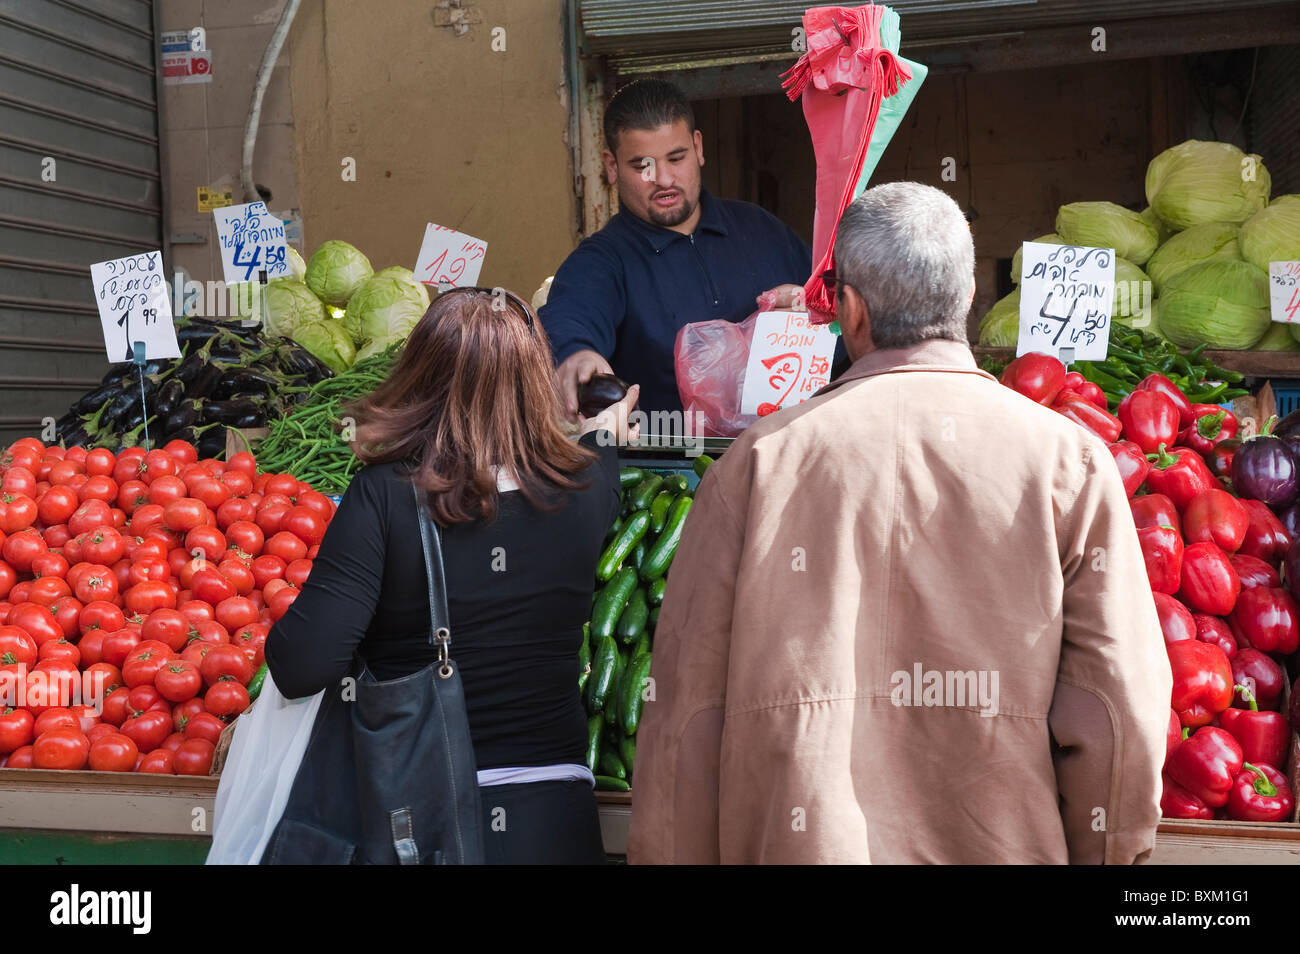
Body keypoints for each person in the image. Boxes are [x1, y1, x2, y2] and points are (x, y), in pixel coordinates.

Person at [627, 182, 1173, 865]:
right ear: (970, 295)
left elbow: (686, 717)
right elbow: (1117, 708)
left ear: (849, 310)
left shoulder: (755, 464)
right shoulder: (1071, 463)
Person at [264, 287, 638, 865]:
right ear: (537, 379)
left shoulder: (382, 498)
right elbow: (601, 448)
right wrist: (605, 425)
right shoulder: (586, 492)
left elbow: (302, 667)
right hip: (556, 823)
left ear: (417, 377)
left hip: (421, 820)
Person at [541, 78, 817, 419]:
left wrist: (811, 305)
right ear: (611, 166)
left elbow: (844, 312)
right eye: (643, 165)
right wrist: (575, 354)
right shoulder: (602, 259)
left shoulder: (759, 227)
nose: (665, 180)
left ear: (698, 148)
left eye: (676, 158)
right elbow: (568, 318)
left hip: (777, 453)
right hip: (673, 467)